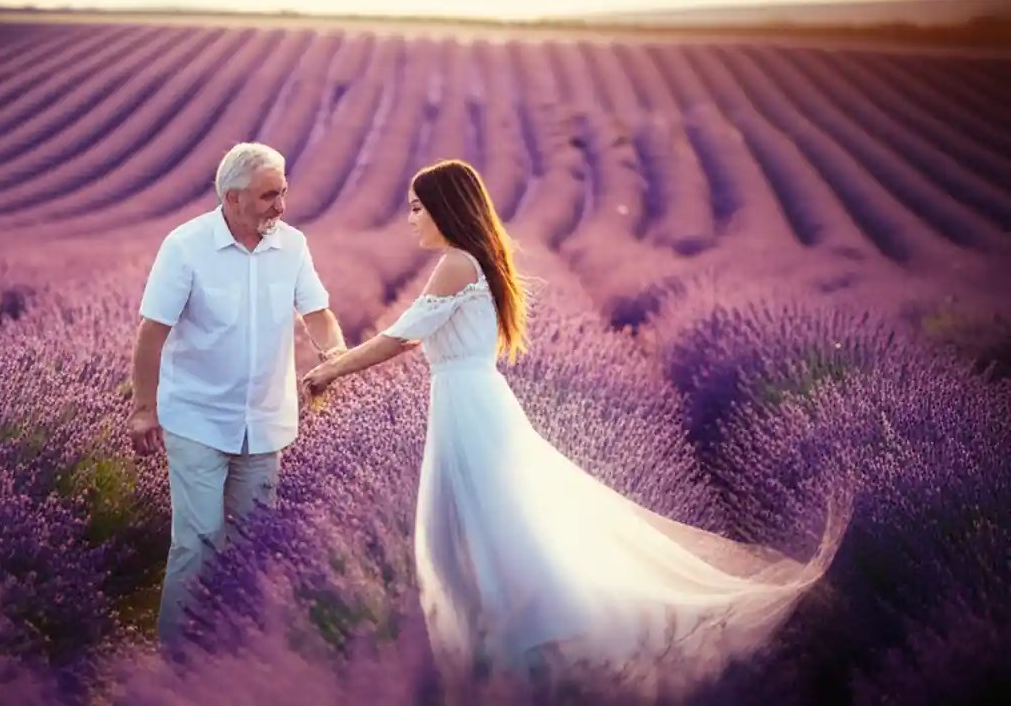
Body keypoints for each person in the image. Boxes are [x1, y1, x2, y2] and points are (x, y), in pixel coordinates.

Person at [300, 159, 850, 701]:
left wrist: (330, 369)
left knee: (474, 540)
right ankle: (514, 666)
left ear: (446, 208)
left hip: (469, 412)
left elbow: (400, 337)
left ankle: (523, 665)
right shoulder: (473, 260)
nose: (410, 219)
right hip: (472, 407)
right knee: (484, 537)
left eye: (418, 208)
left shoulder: (456, 263)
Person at [128, 142, 347, 647]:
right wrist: (143, 409)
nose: (281, 206)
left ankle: (240, 655)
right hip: (197, 418)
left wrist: (335, 355)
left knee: (255, 543)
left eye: (283, 192)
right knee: (198, 542)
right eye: (269, 196)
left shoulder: (292, 246)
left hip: (264, 422)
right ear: (232, 198)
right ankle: (179, 660)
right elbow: (152, 331)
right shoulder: (185, 246)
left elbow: (317, 313)